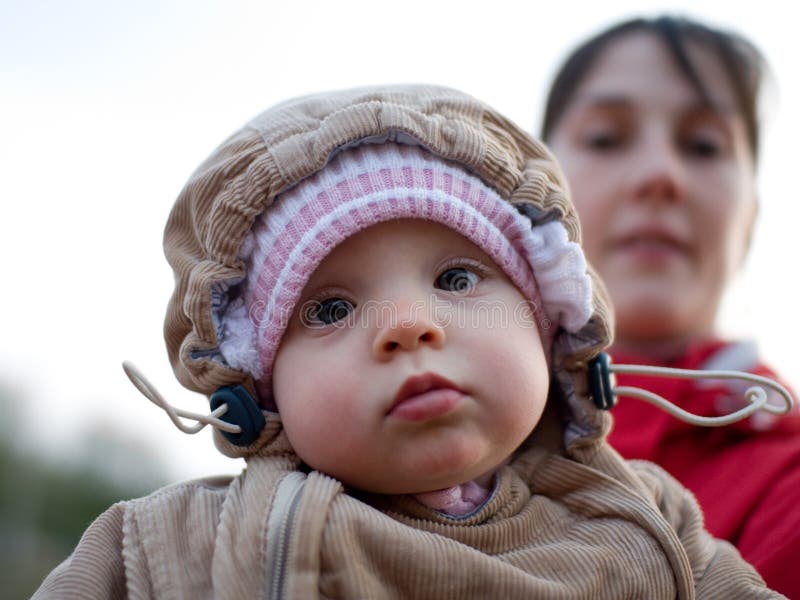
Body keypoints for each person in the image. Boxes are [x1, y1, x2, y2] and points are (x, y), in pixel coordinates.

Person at [34, 84, 781, 598]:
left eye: (456, 279)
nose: (406, 325)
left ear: (551, 328)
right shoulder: (175, 547)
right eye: (326, 311)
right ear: (256, 389)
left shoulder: (649, 522)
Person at [541, 16, 800, 597]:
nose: (660, 175)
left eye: (704, 145)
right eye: (606, 138)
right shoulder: (382, 424)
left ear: (750, 218)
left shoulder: (789, 487)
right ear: (527, 191)